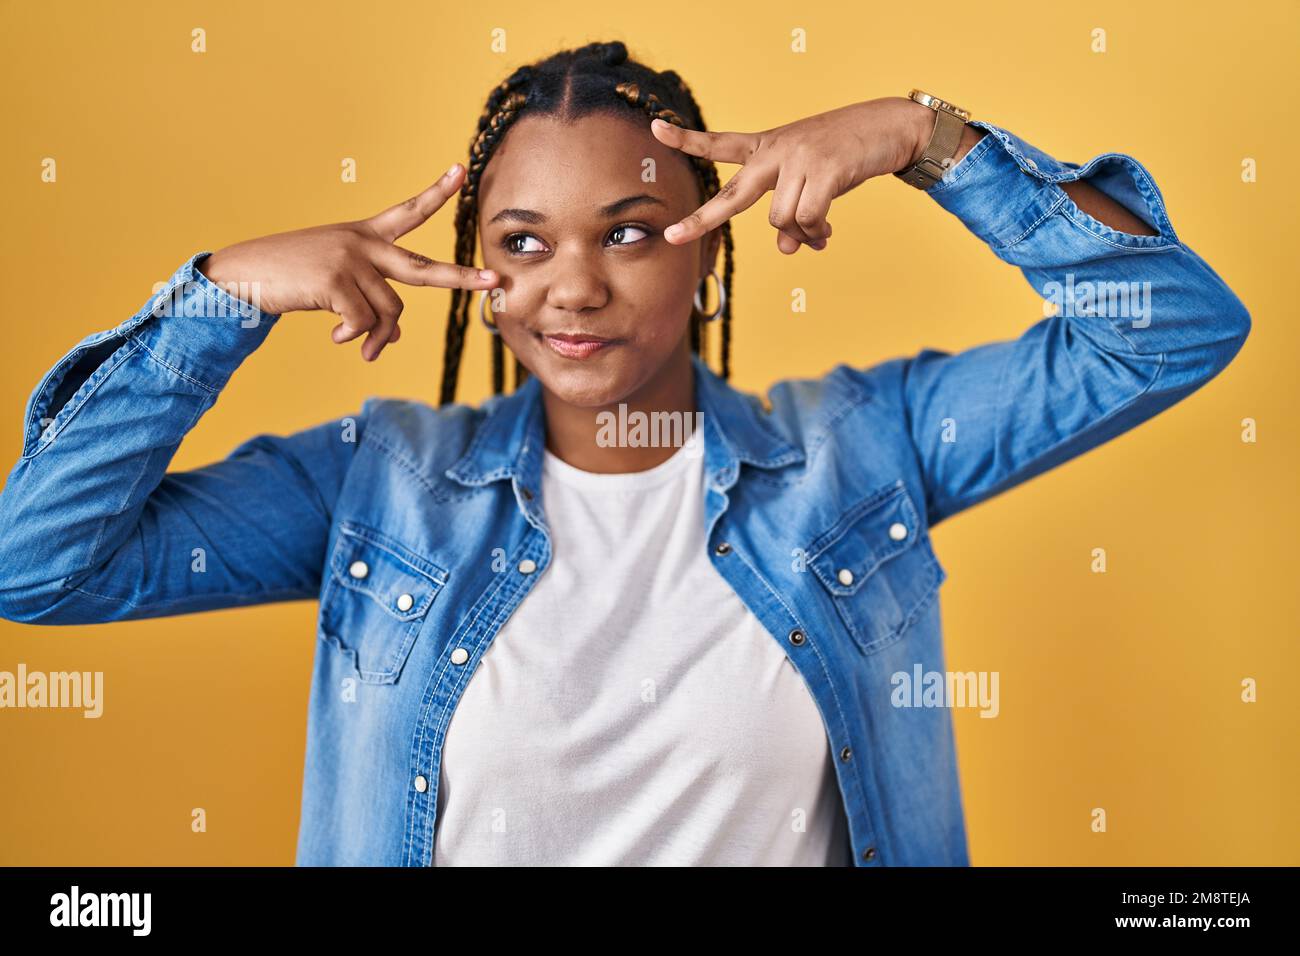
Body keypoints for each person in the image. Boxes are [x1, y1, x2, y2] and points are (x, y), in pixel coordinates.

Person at [0, 41, 1250, 866]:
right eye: (526, 243)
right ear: (480, 274)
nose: (575, 288)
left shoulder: (858, 455)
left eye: (633, 231)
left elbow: (1172, 329)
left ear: (712, 246)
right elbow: (36, 563)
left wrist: (928, 135)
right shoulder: (376, 486)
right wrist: (215, 297)